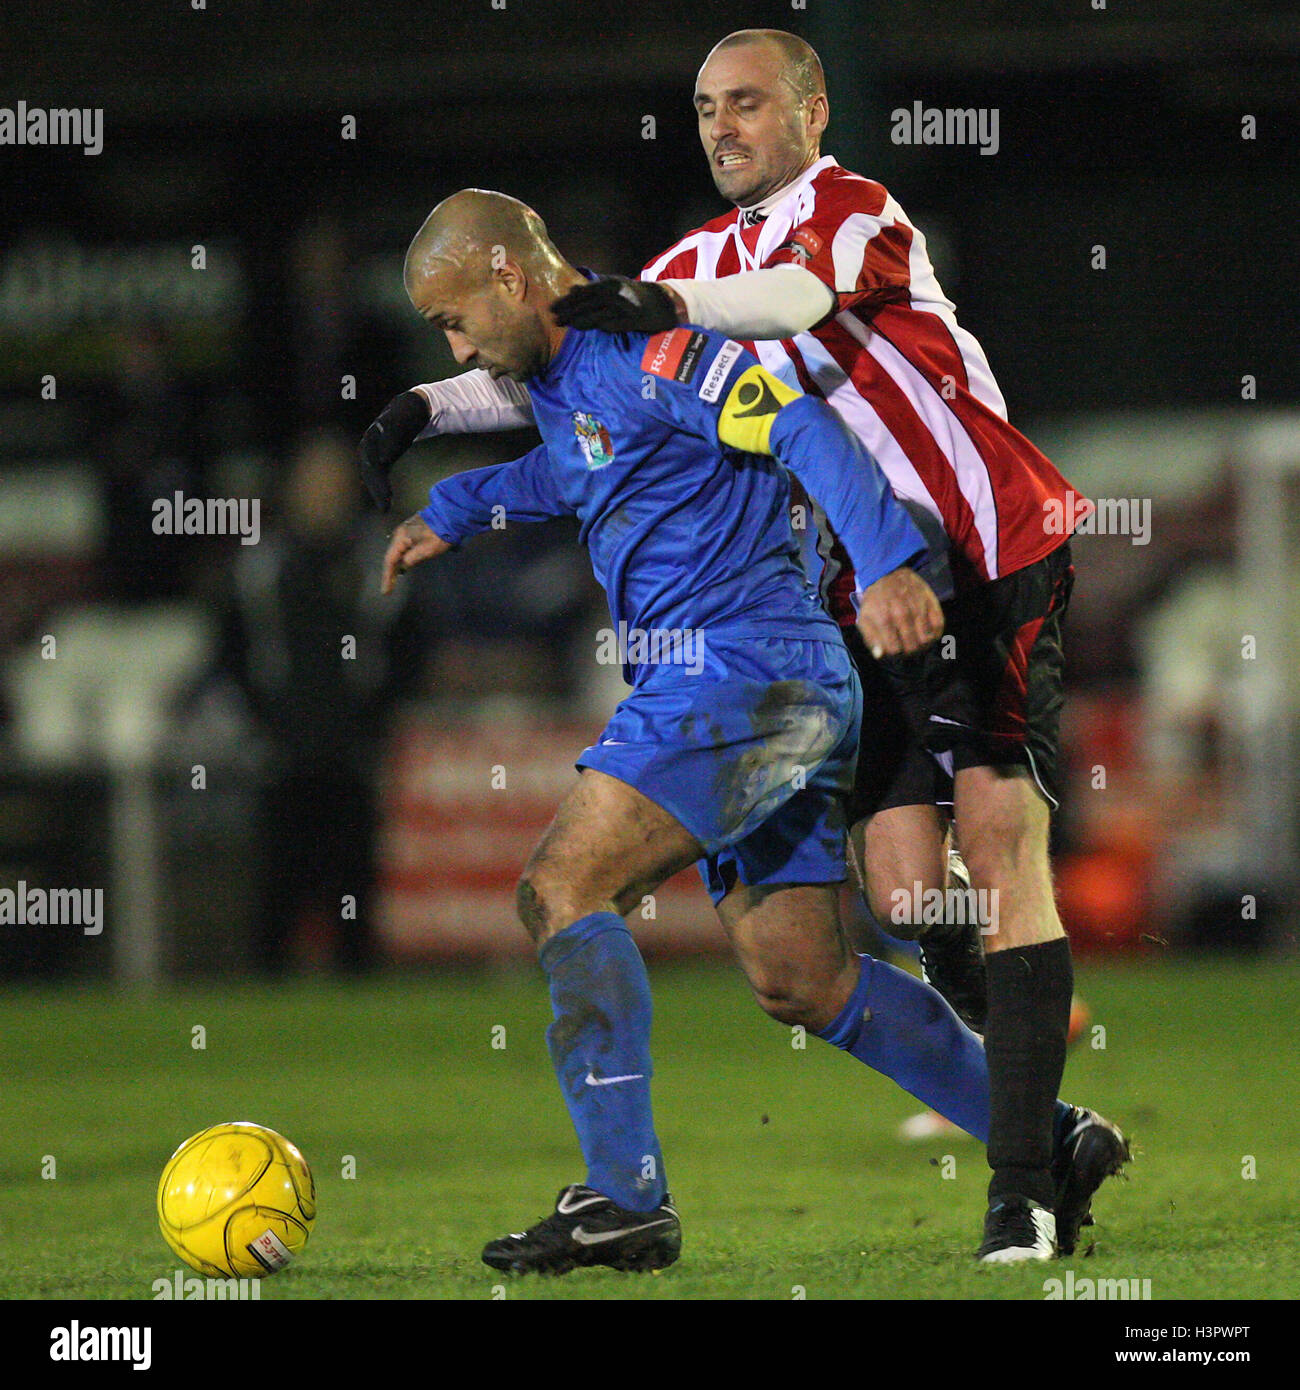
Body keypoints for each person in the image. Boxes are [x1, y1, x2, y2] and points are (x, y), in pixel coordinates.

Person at [377, 188, 1121, 1275]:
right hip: (764, 691)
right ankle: (1058, 1140)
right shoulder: (566, 382)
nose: (453, 346)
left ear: (506, 276)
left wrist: (885, 562)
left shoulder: (652, 348)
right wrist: (450, 510)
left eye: (451, 320)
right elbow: (583, 468)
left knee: (560, 887)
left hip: (741, 675)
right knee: (800, 978)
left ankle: (621, 1199)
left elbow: (796, 421)